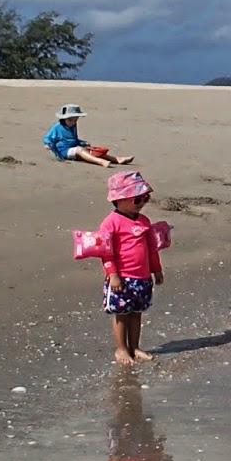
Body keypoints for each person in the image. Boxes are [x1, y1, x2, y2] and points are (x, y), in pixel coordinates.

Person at [98, 170, 164, 364]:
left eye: (145, 198)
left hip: (142, 277)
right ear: (119, 200)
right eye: (137, 199)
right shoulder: (111, 222)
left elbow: (151, 249)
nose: (142, 202)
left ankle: (135, 347)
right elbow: (106, 252)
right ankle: (121, 349)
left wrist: (156, 269)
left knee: (136, 313)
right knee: (121, 314)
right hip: (122, 277)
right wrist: (113, 274)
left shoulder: (144, 222)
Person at [44, 104, 133, 167]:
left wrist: (82, 142)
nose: (73, 122)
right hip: (63, 151)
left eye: (75, 120)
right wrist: (48, 145)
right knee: (80, 150)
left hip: (73, 147)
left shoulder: (73, 126)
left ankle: (117, 159)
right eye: (70, 120)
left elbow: (73, 139)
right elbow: (48, 138)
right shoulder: (57, 127)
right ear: (64, 119)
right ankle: (100, 161)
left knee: (92, 151)